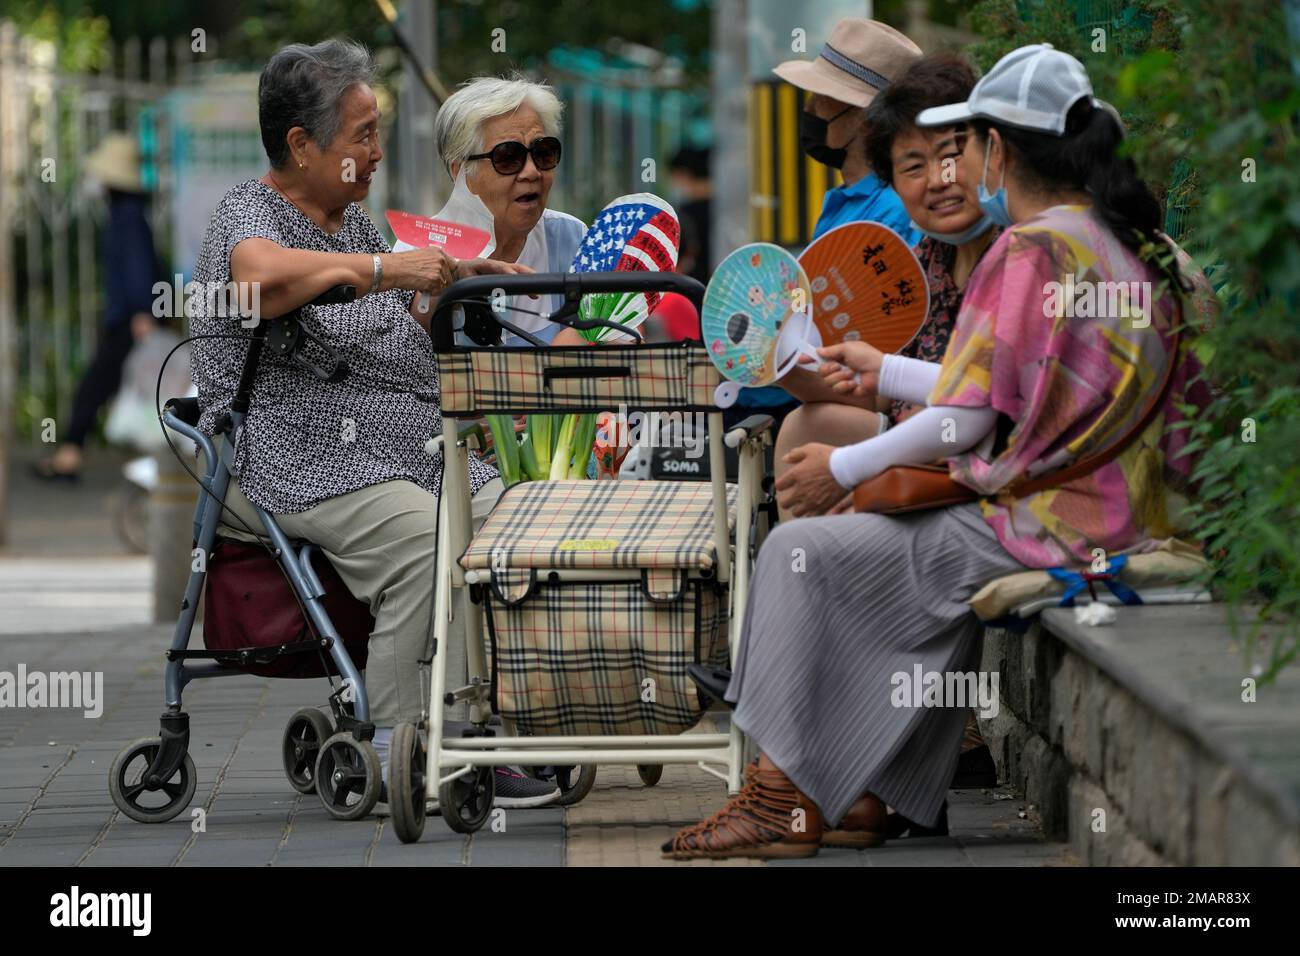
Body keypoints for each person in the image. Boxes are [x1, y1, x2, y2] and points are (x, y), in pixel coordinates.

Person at [665, 43, 1210, 859]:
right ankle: (878, 796)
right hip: (1132, 522)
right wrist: (883, 371)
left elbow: (966, 418)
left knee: (798, 550)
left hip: (1048, 527)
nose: (951, 171)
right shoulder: (1143, 246)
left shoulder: (1030, 250)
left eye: (965, 146)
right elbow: (1028, 391)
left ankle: (779, 798)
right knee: (900, 566)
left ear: (999, 148)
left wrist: (843, 468)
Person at [191, 40, 559, 810]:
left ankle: (490, 727)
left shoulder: (352, 224)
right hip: (297, 453)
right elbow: (260, 282)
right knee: (431, 540)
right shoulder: (247, 215)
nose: (377, 150)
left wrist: (459, 277)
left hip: (400, 440)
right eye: (362, 133)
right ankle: (406, 741)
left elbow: (395, 321)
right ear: (301, 144)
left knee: (515, 524)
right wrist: (393, 268)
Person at [733, 17, 923, 428]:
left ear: (866, 119)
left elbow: (852, 345)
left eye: (822, 99)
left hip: (805, 406)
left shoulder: (892, 212)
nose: (809, 111)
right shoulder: (845, 201)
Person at [420, 74, 587, 347]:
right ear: (461, 172)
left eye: (543, 152)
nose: (532, 172)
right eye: (508, 157)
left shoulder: (572, 238)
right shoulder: (417, 254)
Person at [34, 133, 163, 482]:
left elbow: (138, 269)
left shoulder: (128, 217)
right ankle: (70, 455)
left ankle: (69, 457)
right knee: (108, 386)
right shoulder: (127, 214)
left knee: (95, 387)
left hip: (131, 320)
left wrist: (141, 313)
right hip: (130, 318)